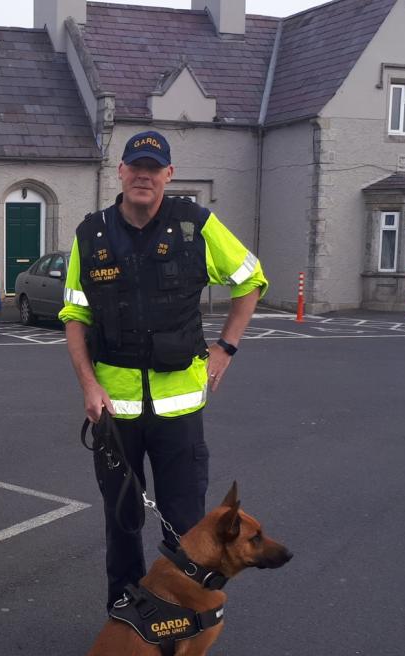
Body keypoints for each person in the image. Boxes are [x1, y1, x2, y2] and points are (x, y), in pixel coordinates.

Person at [59, 131, 268, 611]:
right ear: (121, 172)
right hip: (115, 411)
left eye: (153, 168)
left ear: (168, 175)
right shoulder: (91, 234)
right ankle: (127, 614)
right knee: (122, 520)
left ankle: (185, 619)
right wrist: (89, 386)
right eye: (136, 166)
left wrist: (226, 347)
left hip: (179, 412)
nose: (144, 176)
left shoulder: (195, 225)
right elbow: (74, 316)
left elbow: (250, 279)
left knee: (188, 526)